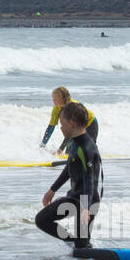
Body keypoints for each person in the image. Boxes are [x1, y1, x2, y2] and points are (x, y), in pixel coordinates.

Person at [35, 102, 102, 249]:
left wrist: (86, 209)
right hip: (74, 198)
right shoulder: (75, 144)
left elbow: (89, 181)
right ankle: (74, 241)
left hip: (88, 202)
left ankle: (83, 249)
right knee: (41, 220)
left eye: (62, 123)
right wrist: (53, 189)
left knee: (82, 249)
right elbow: (70, 167)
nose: (60, 127)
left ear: (71, 123)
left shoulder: (86, 148)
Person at [41, 86, 98, 153]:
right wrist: (42, 145)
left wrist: (60, 149)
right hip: (76, 128)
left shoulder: (73, 106)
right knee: (69, 152)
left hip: (90, 123)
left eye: (55, 99)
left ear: (62, 98)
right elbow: (51, 127)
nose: (53, 101)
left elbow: (72, 130)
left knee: (88, 148)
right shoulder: (56, 109)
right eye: (52, 99)